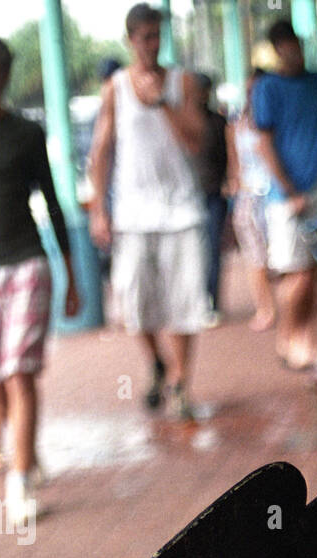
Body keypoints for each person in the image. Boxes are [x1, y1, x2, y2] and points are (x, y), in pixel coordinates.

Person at [88, 3, 208, 421]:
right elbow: (100, 152)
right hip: (133, 215)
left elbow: (196, 140)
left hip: (181, 211)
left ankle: (179, 383)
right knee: (136, 306)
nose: (152, 46)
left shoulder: (183, 81)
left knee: (185, 302)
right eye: (144, 38)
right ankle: (157, 362)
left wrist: (163, 104)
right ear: (130, 40)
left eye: (157, 36)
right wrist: (98, 210)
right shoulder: (115, 87)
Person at [0, 33, 79, 528]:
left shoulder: (26, 134)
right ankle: (17, 453)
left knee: (18, 373)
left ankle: (19, 483)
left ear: (2, 76)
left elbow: (52, 202)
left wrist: (71, 276)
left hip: (26, 263)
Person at [252, 19, 317, 369]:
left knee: (314, 271)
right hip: (286, 195)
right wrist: (290, 190)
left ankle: (299, 338)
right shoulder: (267, 87)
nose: (296, 51)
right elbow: (263, 143)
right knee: (297, 272)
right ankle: (290, 337)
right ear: (278, 48)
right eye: (289, 45)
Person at [227, 68, 275, 332]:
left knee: (280, 259)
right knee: (254, 257)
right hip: (250, 195)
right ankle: (265, 308)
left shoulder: (274, 120)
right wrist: (235, 186)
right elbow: (235, 164)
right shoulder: (237, 123)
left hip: (274, 194)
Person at [194, 73, 229, 324]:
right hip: (190, 197)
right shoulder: (183, 120)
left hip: (214, 193)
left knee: (213, 248)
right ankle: (196, 300)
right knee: (194, 250)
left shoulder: (217, 121)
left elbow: (227, 157)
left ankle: (212, 301)